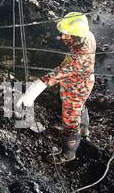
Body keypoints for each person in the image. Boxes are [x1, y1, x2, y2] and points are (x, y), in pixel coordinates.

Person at [41, 12, 96, 162]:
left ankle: (68, 154)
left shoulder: (79, 57)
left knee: (70, 121)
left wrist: (36, 86)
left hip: (75, 90)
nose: (63, 38)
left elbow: (56, 74)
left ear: (77, 36)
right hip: (85, 82)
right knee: (80, 108)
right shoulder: (87, 35)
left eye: (67, 35)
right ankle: (84, 132)